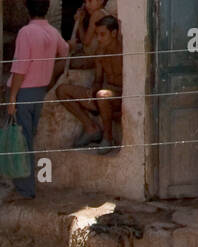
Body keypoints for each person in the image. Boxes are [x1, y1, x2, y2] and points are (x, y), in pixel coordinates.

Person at [7, 0, 70, 201]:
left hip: (24, 92)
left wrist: (12, 97)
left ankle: (26, 188)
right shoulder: (52, 32)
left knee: (21, 141)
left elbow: (20, 68)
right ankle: (27, 184)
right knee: (27, 138)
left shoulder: (26, 32)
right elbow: (66, 51)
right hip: (40, 92)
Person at [56, 15, 124, 152]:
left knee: (102, 95)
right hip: (104, 95)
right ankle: (91, 127)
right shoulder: (100, 52)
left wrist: (100, 93)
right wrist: (92, 91)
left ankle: (108, 138)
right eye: (97, 34)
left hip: (120, 97)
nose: (98, 38)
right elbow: (98, 80)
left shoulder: (124, 51)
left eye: (102, 34)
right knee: (62, 90)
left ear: (114, 33)